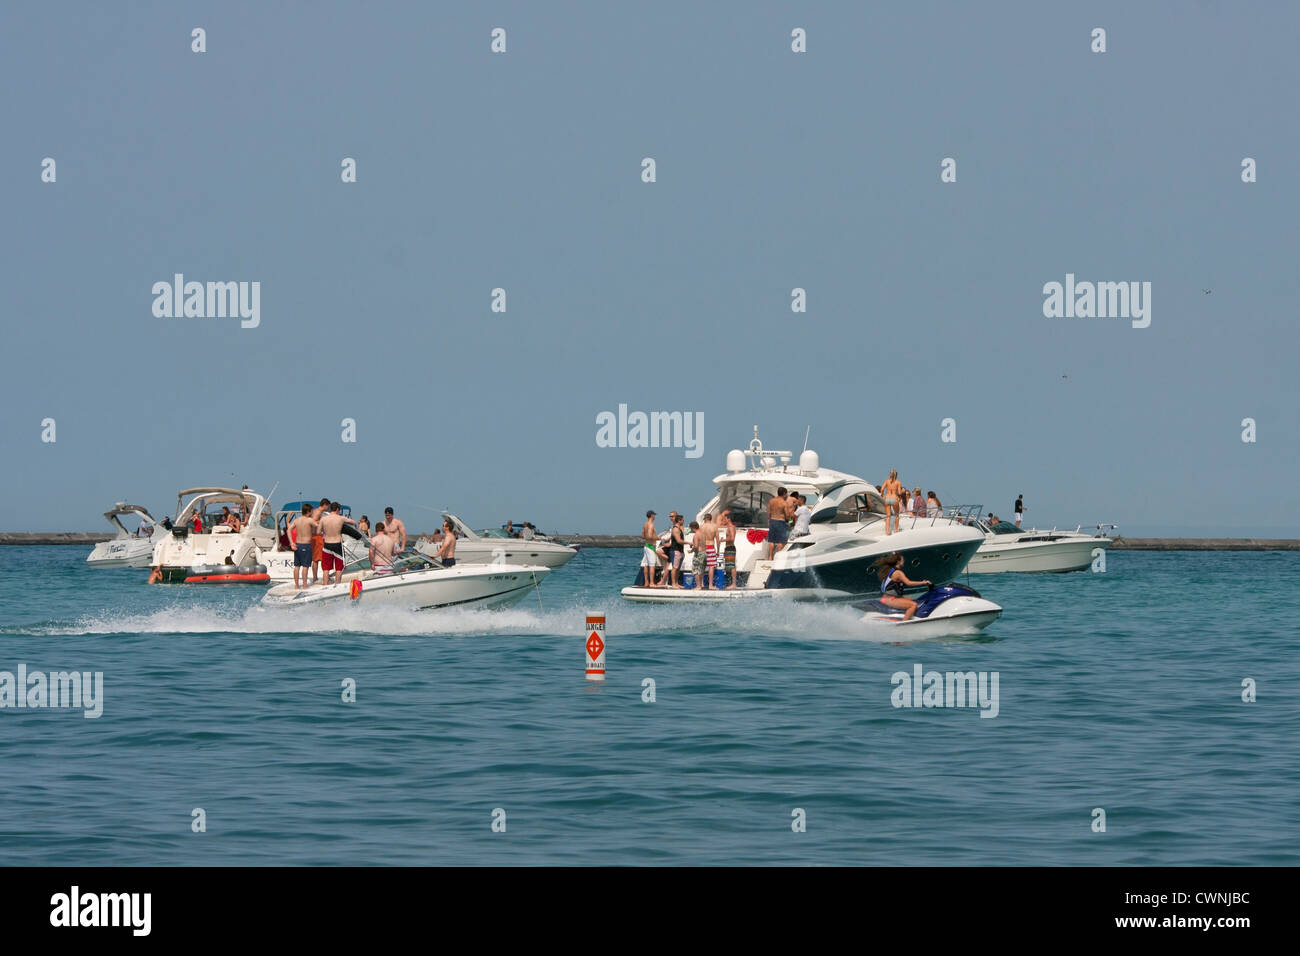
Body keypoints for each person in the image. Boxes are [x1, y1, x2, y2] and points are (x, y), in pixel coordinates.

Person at [873, 552, 931, 621]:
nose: (904, 561)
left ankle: (911, 616)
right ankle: (904, 623)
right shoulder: (898, 573)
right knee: (913, 605)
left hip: (888, 598)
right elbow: (908, 583)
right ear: (898, 561)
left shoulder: (890, 571)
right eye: (902, 560)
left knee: (909, 599)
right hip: (890, 599)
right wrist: (923, 582)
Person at [319, 501, 358, 585]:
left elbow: (319, 531)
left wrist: (325, 532)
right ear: (337, 509)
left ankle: (325, 585)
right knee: (338, 567)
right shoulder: (341, 518)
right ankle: (338, 584)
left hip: (327, 545)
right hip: (337, 544)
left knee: (326, 568)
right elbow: (353, 522)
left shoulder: (323, 519)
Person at [289, 503, 317, 590]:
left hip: (297, 545)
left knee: (297, 566)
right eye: (312, 511)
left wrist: (291, 542)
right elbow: (319, 526)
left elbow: (288, 529)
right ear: (308, 511)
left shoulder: (297, 520)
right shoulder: (309, 520)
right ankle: (305, 586)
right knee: (305, 566)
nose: (312, 512)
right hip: (306, 545)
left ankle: (297, 586)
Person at [310, 498, 331, 583]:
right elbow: (313, 521)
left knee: (317, 558)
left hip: (315, 537)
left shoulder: (316, 511)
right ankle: (317, 577)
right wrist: (323, 523)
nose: (328, 508)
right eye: (328, 506)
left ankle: (317, 577)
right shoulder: (318, 512)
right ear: (325, 505)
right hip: (317, 537)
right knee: (318, 558)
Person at [767, 488, 790, 558]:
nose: (787, 495)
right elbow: (787, 516)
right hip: (781, 522)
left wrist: (770, 520)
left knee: (771, 540)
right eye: (786, 494)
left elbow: (768, 513)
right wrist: (789, 521)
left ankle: (770, 557)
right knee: (781, 541)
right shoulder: (784, 503)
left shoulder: (771, 501)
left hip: (772, 521)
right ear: (784, 493)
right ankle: (778, 557)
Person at [640, 510, 661, 588]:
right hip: (651, 547)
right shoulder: (651, 524)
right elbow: (649, 536)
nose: (655, 516)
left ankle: (646, 582)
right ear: (652, 515)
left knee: (646, 565)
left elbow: (643, 536)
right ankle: (651, 583)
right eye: (654, 515)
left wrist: (650, 538)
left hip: (646, 546)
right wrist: (658, 538)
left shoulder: (645, 524)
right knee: (652, 565)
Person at [698, 512, 719, 589]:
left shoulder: (701, 527)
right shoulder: (714, 527)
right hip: (711, 546)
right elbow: (717, 540)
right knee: (711, 566)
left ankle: (701, 584)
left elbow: (698, 538)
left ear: (705, 519)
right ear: (710, 519)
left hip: (703, 547)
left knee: (702, 566)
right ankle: (710, 585)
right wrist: (718, 551)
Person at [718, 509, 738, 589]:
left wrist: (723, 540)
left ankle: (733, 584)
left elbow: (732, 538)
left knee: (732, 566)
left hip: (730, 548)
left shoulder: (731, 527)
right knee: (729, 566)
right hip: (728, 548)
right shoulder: (729, 527)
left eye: (725, 519)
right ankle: (731, 583)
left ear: (728, 519)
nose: (724, 520)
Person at [881, 470, 904, 535]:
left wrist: (882, 495)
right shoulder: (898, 482)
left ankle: (888, 531)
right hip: (894, 498)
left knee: (888, 516)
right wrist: (901, 493)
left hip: (887, 498)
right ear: (896, 475)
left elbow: (882, 489)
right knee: (897, 515)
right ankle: (896, 529)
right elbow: (899, 492)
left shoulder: (886, 481)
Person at [668, 514, 686, 587]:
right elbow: (678, 541)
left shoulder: (680, 529)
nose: (684, 521)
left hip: (680, 550)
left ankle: (676, 583)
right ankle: (673, 584)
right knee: (675, 568)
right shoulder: (675, 529)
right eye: (682, 520)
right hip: (675, 550)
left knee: (678, 568)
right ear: (679, 521)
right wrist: (688, 542)